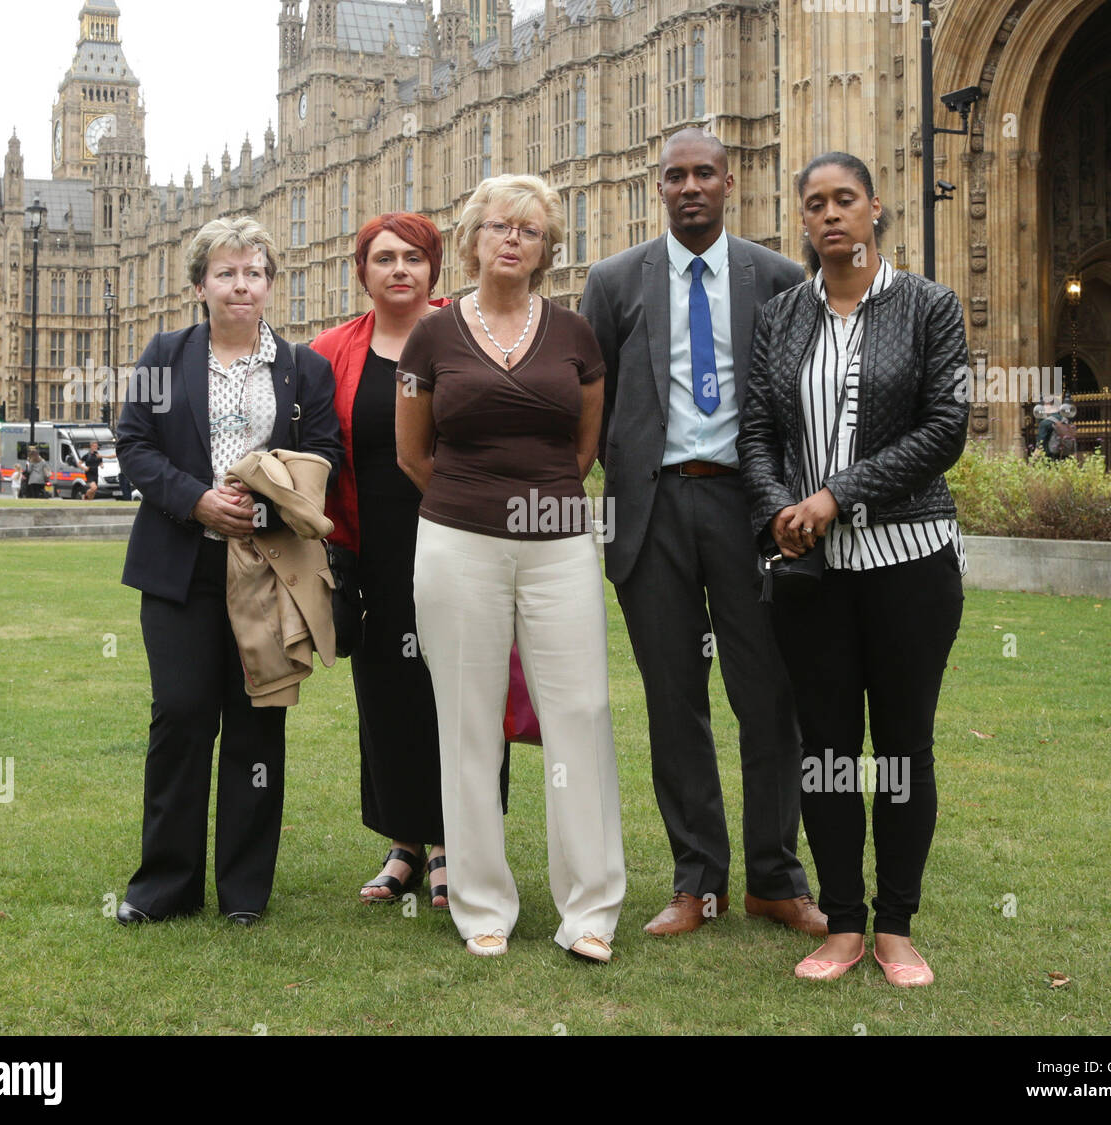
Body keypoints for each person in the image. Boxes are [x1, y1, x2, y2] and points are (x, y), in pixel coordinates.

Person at [579, 126, 825, 939]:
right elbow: (596, 405)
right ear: (659, 187)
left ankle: (775, 879)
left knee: (770, 697)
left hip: (750, 511)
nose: (690, 187)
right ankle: (697, 883)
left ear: (731, 183)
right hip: (652, 513)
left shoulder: (783, 278)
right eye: (675, 176)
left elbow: (805, 403)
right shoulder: (614, 282)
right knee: (674, 700)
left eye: (704, 175)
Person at [737, 152, 969, 986]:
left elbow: (945, 429)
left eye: (845, 200)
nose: (830, 215)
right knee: (827, 747)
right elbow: (757, 430)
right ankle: (841, 922)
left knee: (902, 745)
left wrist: (834, 495)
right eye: (815, 204)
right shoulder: (784, 316)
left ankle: (897, 926)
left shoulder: (929, 306)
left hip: (909, 561)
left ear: (876, 209)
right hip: (811, 574)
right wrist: (778, 511)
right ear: (802, 220)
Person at [397, 174, 625, 962]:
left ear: (546, 249)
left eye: (529, 230)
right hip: (458, 540)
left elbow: (585, 443)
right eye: (498, 225)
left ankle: (591, 910)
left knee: (582, 714)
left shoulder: (575, 334)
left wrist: (539, 503)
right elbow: (410, 451)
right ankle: (481, 904)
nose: (512, 239)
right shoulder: (430, 337)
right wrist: (476, 503)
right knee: (467, 720)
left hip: (560, 541)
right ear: (470, 240)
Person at [113, 216, 342, 927]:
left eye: (254, 271)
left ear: (271, 282)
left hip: (268, 567)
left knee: (256, 724)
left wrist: (265, 510)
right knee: (181, 715)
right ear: (200, 285)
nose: (240, 284)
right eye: (225, 272)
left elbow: (323, 454)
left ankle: (244, 892)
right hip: (181, 561)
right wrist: (198, 500)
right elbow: (135, 443)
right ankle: (165, 885)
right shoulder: (165, 351)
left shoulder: (306, 369)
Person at [310, 213, 457, 908]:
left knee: (458, 692)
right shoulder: (330, 350)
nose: (400, 269)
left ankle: (455, 843)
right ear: (361, 272)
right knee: (387, 696)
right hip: (370, 544)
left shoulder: (465, 332)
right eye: (384, 258)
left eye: (414, 258)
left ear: (434, 269)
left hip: (457, 536)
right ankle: (404, 841)